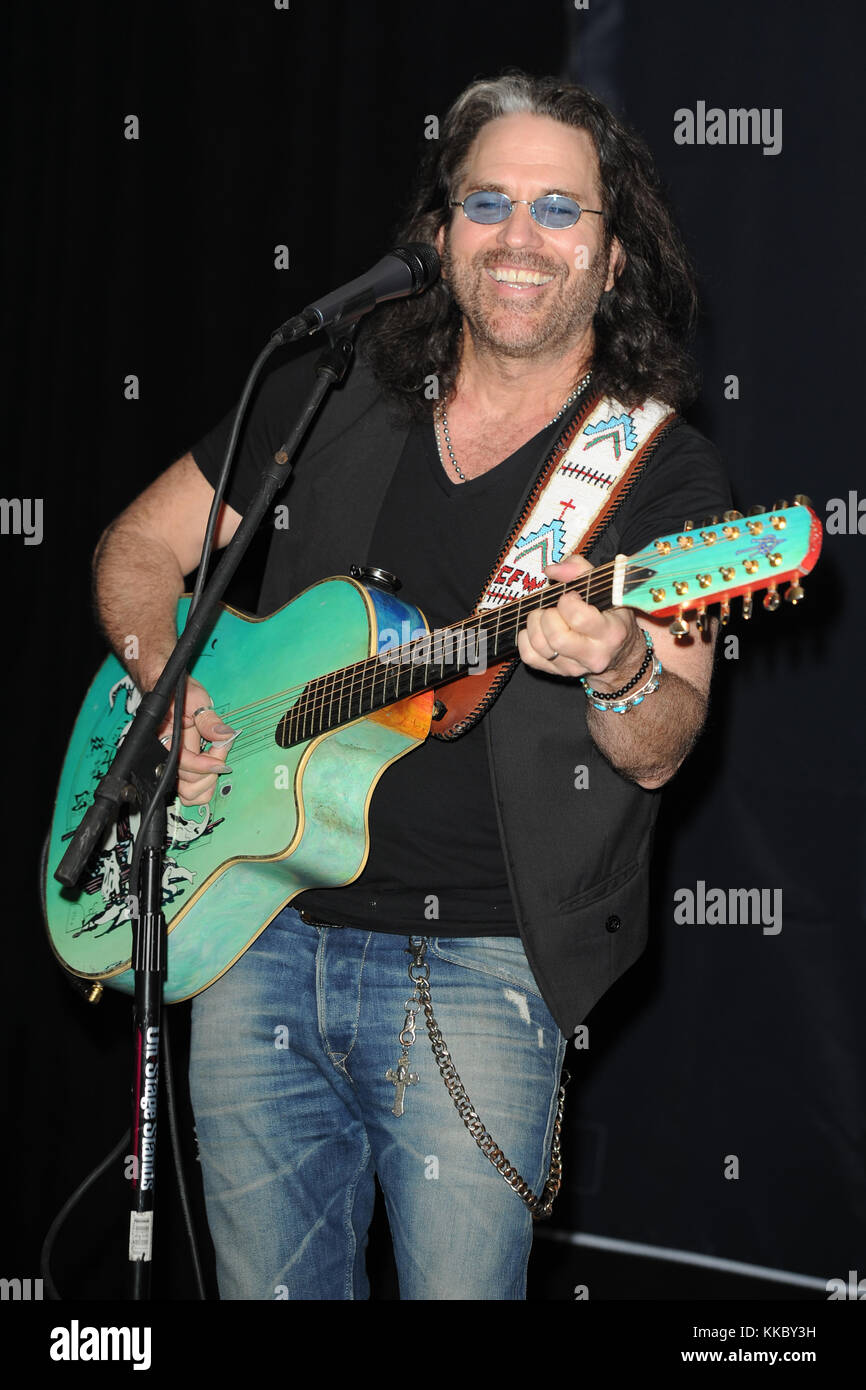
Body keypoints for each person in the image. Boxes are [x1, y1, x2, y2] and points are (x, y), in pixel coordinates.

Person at [92, 72, 732, 1300]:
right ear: (438, 237)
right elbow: (136, 550)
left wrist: (619, 660)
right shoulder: (331, 394)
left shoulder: (654, 468)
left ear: (611, 258)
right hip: (252, 929)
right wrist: (160, 679)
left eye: (562, 210)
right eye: (486, 201)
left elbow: (660, 742)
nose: (518, 236)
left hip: (478, 972)